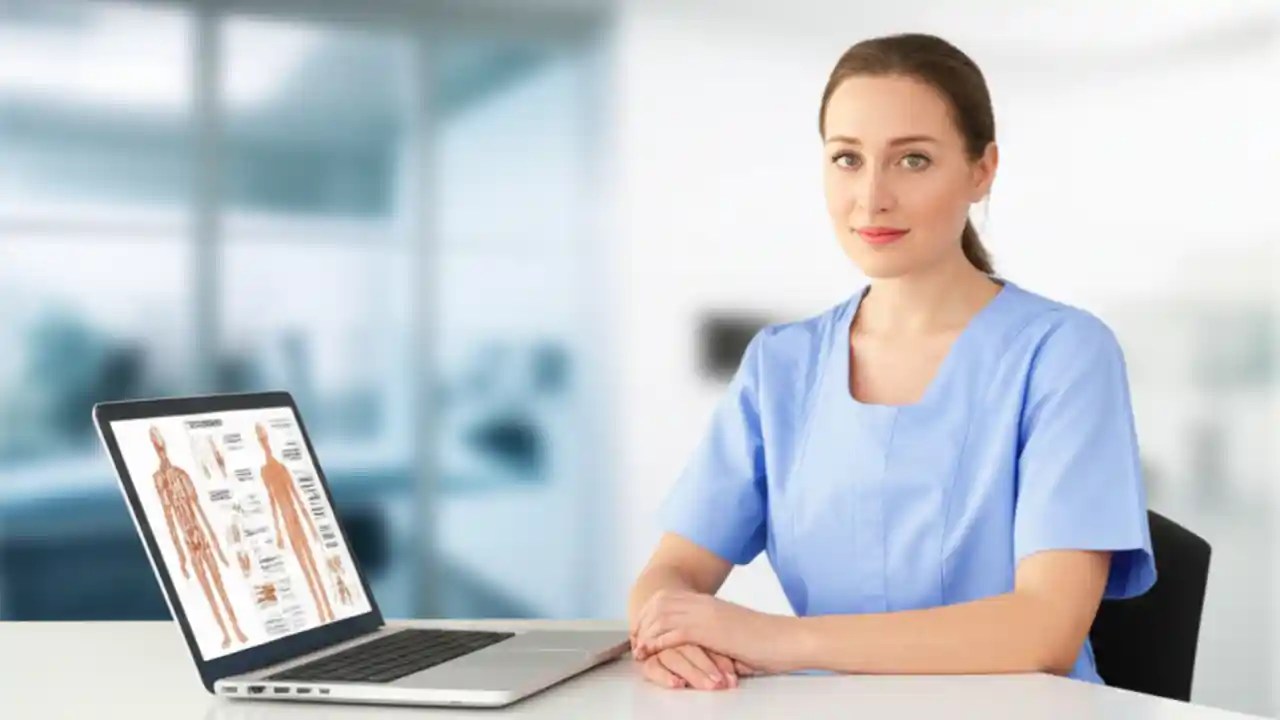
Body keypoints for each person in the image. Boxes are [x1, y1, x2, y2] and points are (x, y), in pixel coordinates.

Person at [627, 33, 1155, 691]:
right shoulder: (780, 366)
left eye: (911, 160)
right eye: (847, 159)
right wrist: (667, 633)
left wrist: (770, 638)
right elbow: (672, 570)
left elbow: (1045, 631)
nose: (871, 198)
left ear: (981, 170)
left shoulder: (1064, 353)